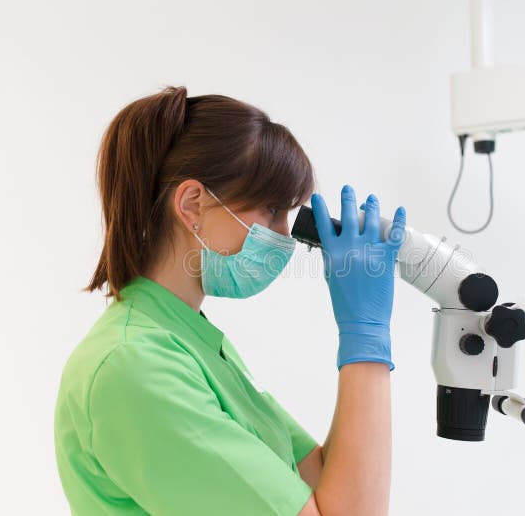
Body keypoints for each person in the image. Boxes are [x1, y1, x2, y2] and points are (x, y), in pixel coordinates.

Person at [54, 86, 406, 515]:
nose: (284, 237)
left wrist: (363, 335)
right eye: (272, 211)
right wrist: (365, 338)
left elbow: (329, 484)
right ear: (192, 205)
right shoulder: (136, 367)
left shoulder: (187, 341)